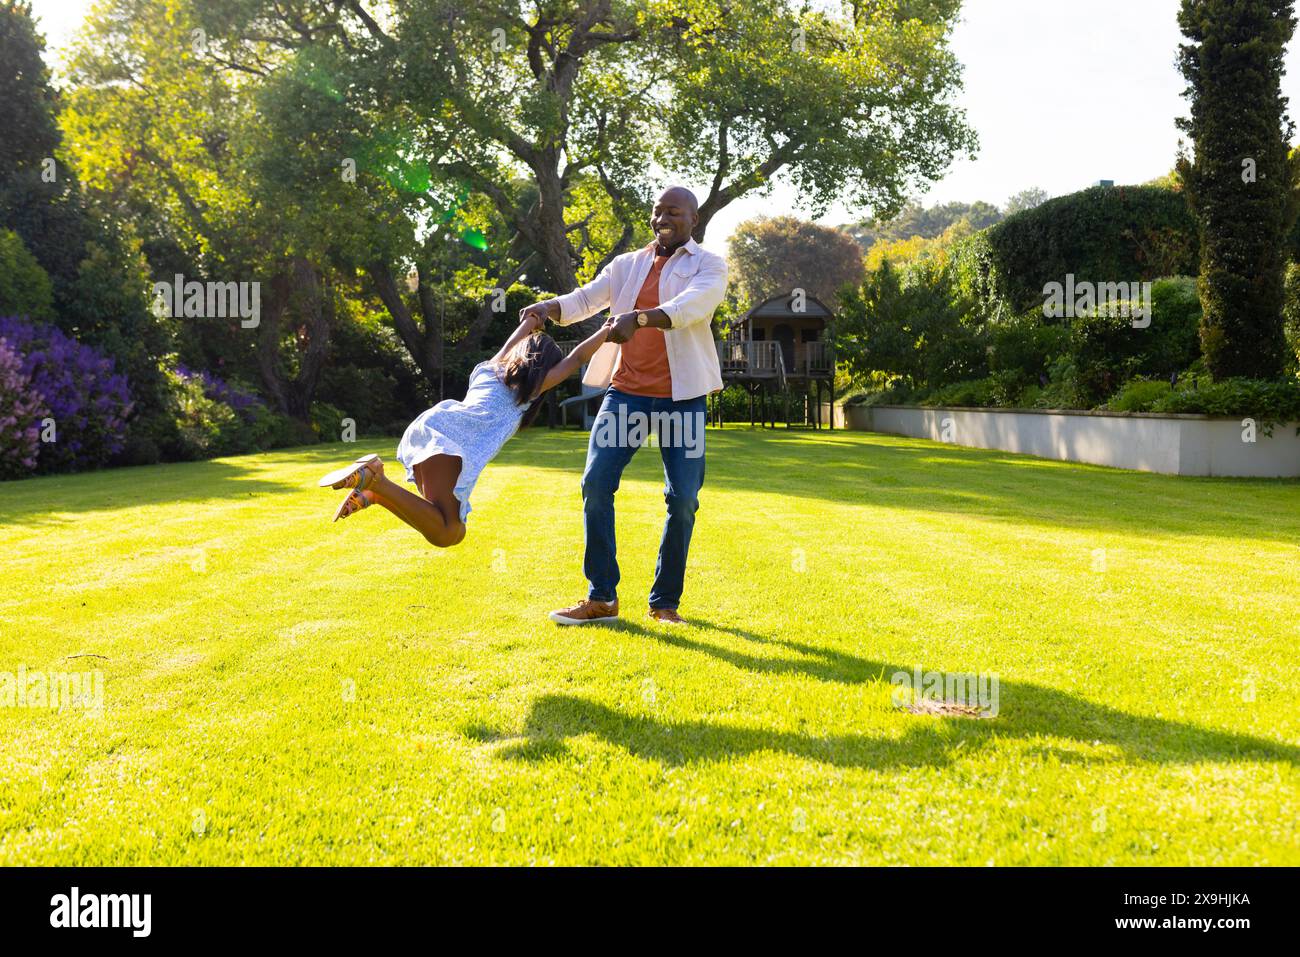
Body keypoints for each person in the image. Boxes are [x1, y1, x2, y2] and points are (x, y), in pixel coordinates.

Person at [520, 186, 728, 626]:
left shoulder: (709, 265)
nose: (663, 218)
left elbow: (691, 308)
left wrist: (643, 317)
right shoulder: (627, 264)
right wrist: (549, 307)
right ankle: (601, 598)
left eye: (673, 212)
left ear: (693, 220)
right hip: (627, 395)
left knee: (684, 500)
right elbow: (585, 299)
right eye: (658, 212)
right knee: (596, 486)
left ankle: (665, 604)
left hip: (682, 398)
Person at [317, 314, 613, 547]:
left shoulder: (490, 367)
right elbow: (576, 358)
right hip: (452, 442)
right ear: (545, 366)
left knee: (453, 531)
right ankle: (375, 479)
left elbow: (512, 343)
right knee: (446, 533)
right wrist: (607, 331)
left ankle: (374, 494)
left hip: (436, 429)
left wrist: (530, 322)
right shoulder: (530, 388)